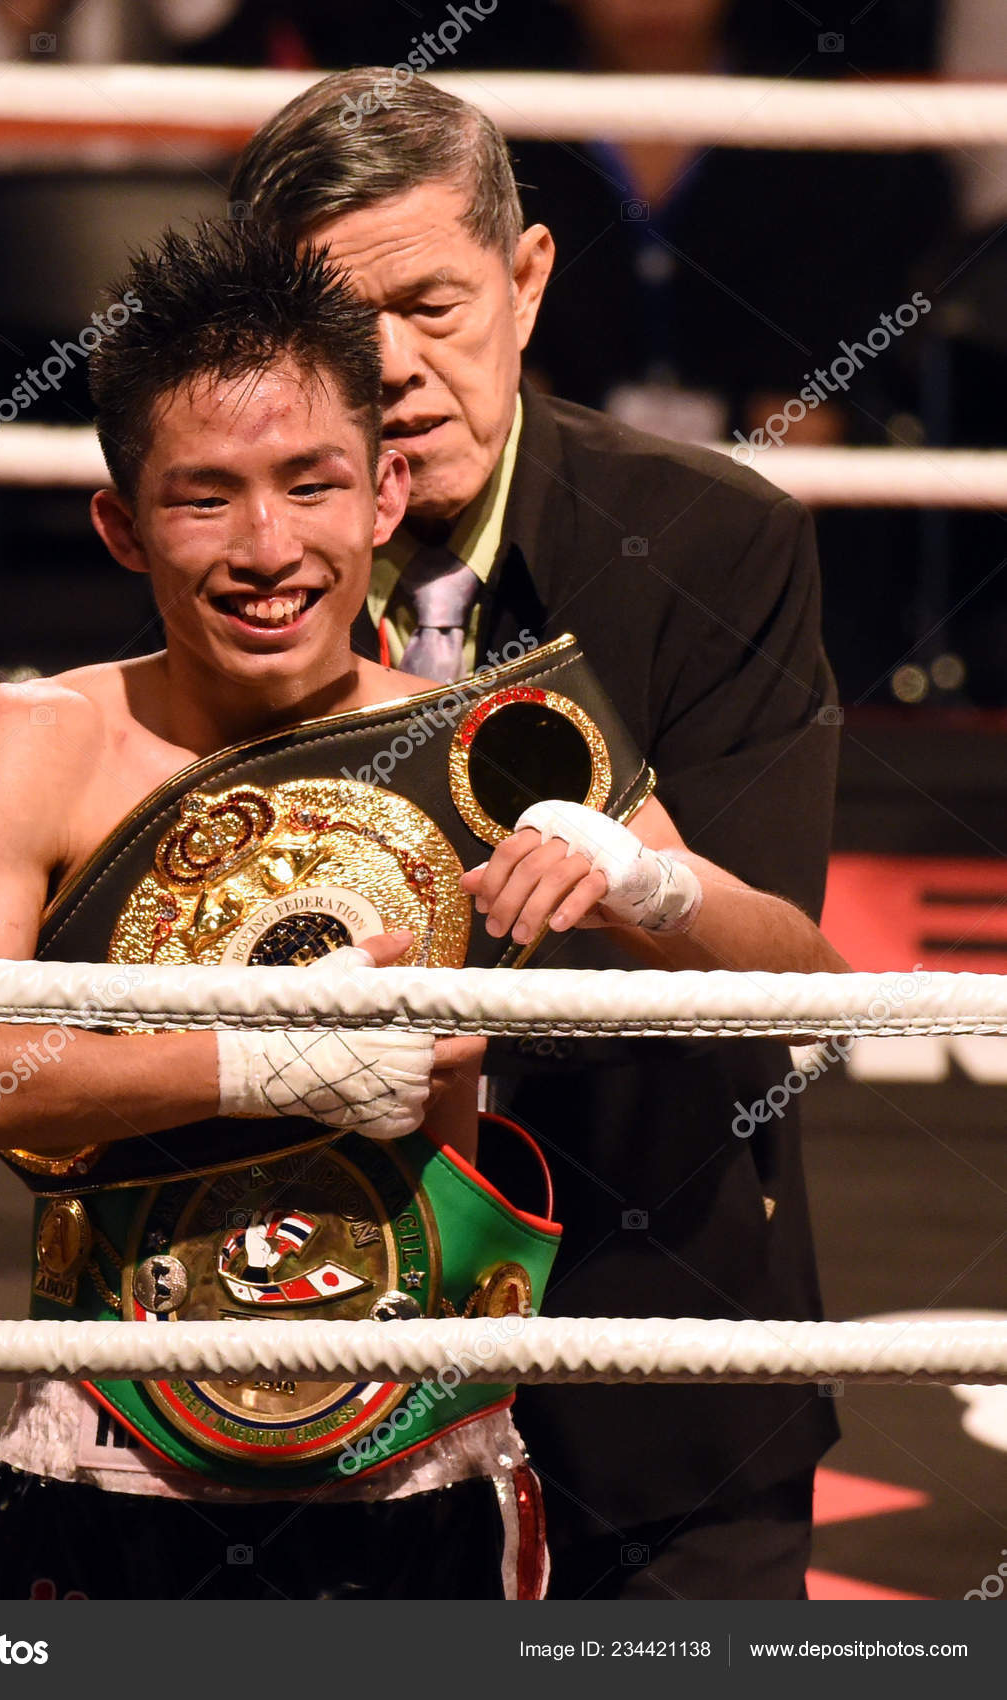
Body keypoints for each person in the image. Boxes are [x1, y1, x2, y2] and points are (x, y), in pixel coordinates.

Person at [228, 70, 849, 1599]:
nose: (393, 365)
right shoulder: (233, 555)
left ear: (527, 280)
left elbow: (792, 988)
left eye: (432, 305)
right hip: (299, 1332)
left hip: (658, 1332)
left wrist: (654, 884)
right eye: (335, 321)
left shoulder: (714, 539)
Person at [0, 223, 566, 1601]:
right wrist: (265, 1061)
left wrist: (659, 882)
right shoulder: (36, 741)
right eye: (205, 499)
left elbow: (798, 981)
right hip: (109, 1449)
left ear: (384, 492)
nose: (267, 548)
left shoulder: (490, 745)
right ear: (122, 526)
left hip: (424, 1459)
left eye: (310, 485)